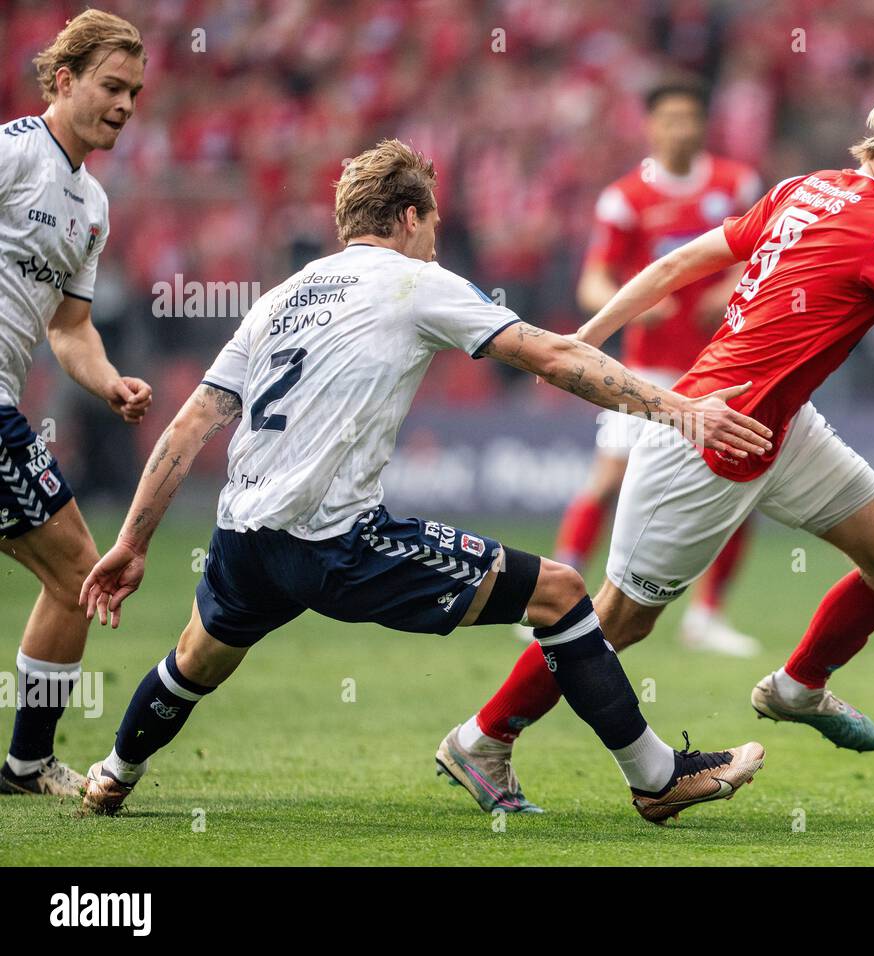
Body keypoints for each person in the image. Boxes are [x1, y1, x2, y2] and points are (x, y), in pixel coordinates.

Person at [460, 80, 874, 798]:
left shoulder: (804, 189)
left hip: (780, 425)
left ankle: (799, 687)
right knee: (619, 620)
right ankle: (482, 737)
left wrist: (587, 336)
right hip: (705, 435)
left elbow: (677, 264)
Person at [77, 139, 770, 824]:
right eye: (433, 220)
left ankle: (113, 773)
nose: (437, 237)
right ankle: (655, 778)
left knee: (194, 660)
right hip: (336, 544)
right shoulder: (416, 283)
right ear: (408, 217)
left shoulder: (278, 300)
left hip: (243, 536)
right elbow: (554, 358)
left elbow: (189, 427)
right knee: (559, 594)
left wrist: (133, 543)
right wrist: (679, 409)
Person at [548, 75, 764, 658]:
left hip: (723, 365)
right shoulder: (625, 198)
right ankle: (556, 600)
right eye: (669, 119)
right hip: (647, 375)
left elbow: (768, 255)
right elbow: (593, 279)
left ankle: (707, 617)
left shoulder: (737, 183)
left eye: (691, 118)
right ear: (650, 126)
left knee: (740, 485)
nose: (681, 130)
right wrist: (632, 305)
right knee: (609, 479)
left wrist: (733, 285)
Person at [0, 10, 152, 797]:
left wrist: (108, 381)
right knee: (79, 574)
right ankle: (25, 764)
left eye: (134, 92)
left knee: (76, 578)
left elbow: (70, 329)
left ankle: (25, 765)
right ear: (64, 81)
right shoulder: (13, 152)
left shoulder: (91, 205)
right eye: (111, 86)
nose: (125, 105)